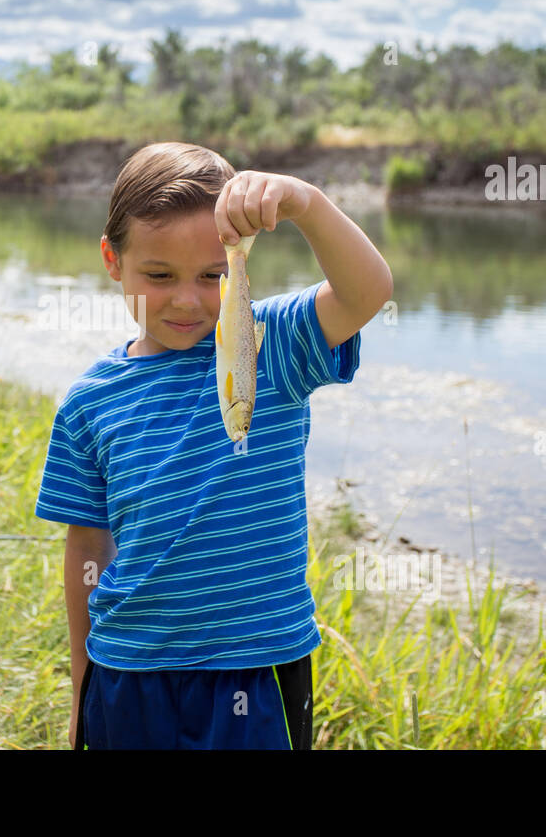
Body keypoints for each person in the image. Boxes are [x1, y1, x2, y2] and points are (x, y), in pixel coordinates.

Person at [35, 141, 393, 749]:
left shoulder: (269, 343)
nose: (186, 299)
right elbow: (87, 548)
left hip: (256, 668)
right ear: (112, 259)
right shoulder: (87, 402)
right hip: (127, 670)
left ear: (239, 264)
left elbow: (368, 292)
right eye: (159, 275)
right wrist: (81, 685)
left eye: (213, 276)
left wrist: (305, 203)